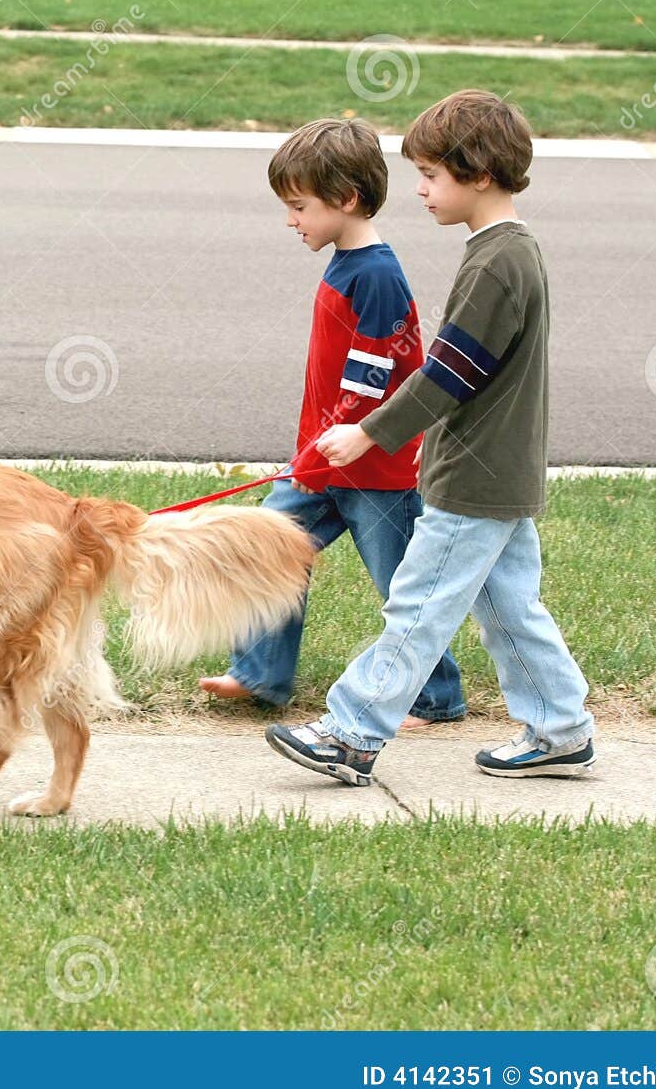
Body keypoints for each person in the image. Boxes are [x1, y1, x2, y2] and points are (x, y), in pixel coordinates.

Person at [265, 90, 597, 786]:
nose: (419, 189)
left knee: (418, 605)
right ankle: (561, 727)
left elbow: (448, 374)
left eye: (432, 175)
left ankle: (351, 732)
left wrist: (367, 433)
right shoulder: (508, 251)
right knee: (510, 607)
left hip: (476, 478)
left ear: (478, 175)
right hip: (498, 472)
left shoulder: (497, 263)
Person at [199, 117, 465, 728]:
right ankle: (260, 673)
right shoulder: (348, 263)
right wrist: (314, 453)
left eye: (299, 207)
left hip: (373, 466)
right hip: (323, 460)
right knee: (267, 550)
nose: (291, 220)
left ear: (345, 200)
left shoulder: (375, 274)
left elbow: (370, 379)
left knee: (403, 584)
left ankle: (436, 694)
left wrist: (336, 441)